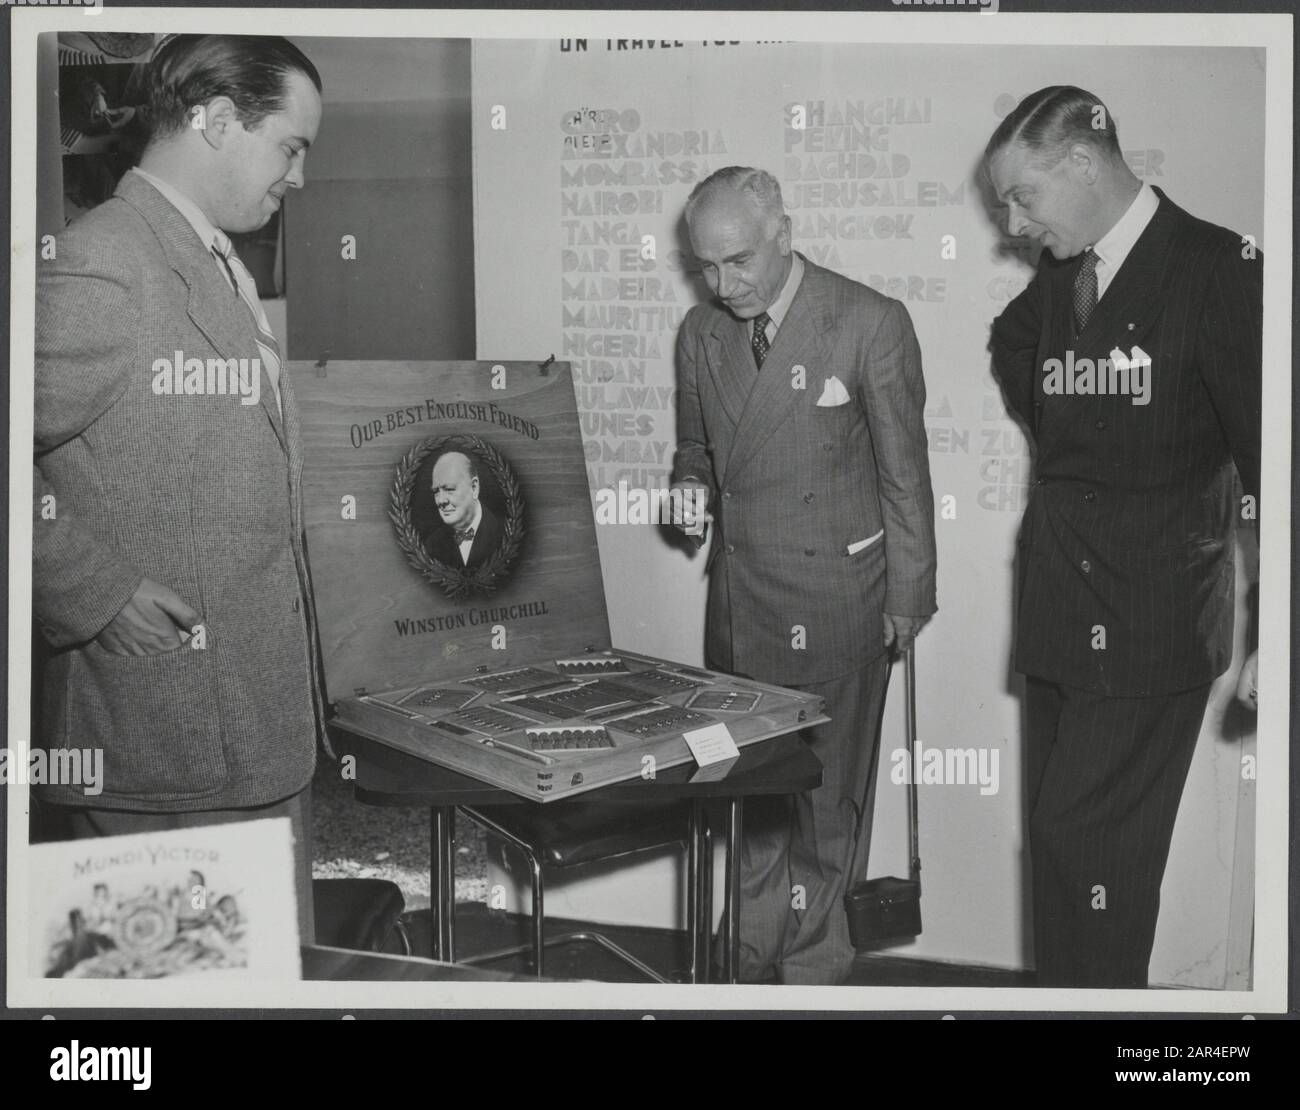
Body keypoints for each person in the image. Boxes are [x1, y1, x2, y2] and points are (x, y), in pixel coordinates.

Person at [33, 35, 326, 943]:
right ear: (218, 119)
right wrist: (92, 589)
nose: (300, 177)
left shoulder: (202, 254)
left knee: (265, 987)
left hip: (245, 733)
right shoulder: (106, 261)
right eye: (291, 146)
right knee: (171, 996)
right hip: (165, 750)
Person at [985, 86, 1261, 987]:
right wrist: (1071, 435)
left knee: (1091, 856)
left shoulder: (1220, 268)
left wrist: (1277, 630)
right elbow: (1012, 341)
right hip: (1058, 611)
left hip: (1150, 624)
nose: (1014, 224)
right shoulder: (1067, 269)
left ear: (1082, 161)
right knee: (1063, 859)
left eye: (1023, 197)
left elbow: (1275, 469)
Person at [670, 166, 937, 985]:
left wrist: (908, 597)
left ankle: (814, 973)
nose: (725, 286)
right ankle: (746, 961)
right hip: (742, 604)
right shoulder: (701, 333)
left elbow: (905, 479)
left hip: (839, 604)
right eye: (707, 267)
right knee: (750, 799)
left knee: (826, 805)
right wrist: (688, 485)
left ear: (783, 233)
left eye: (740, 261)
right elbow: (696, 445)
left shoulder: (869, 322)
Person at [419, 450, 503, 570]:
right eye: (436, 491)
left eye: (449, 489)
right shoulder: (432, 545)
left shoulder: (506, 533)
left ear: (474, 487)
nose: (441, 501)